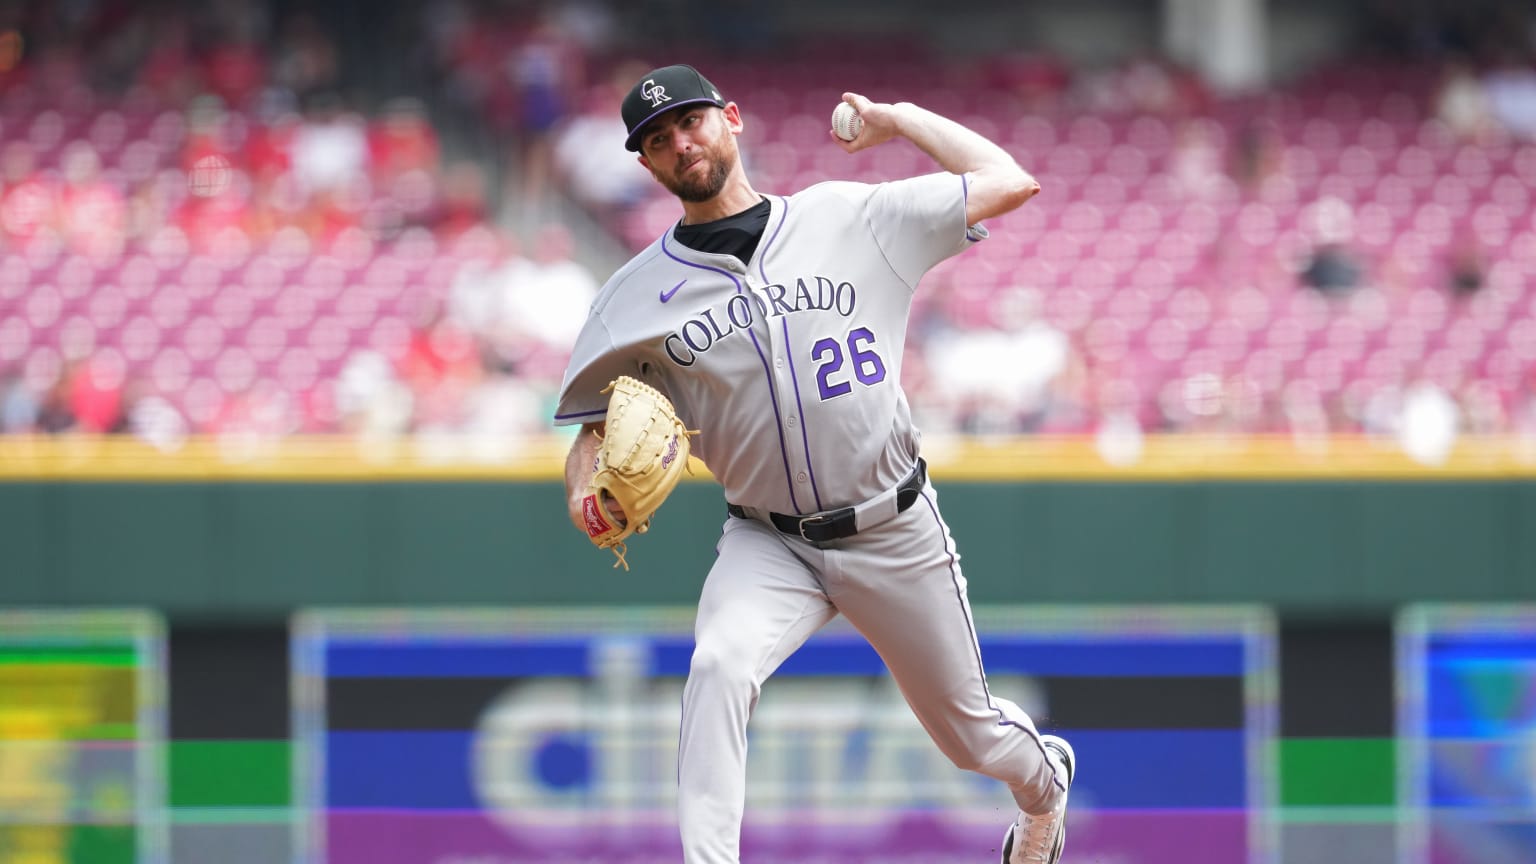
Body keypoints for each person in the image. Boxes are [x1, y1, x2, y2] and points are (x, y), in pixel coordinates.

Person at [554, 64, 1074, 864]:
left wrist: (897, 118)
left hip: (891, 524)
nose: (680, 143)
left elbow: (1008, 181)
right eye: (658, 139)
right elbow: (590, 432)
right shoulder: (630, 297)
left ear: (732, 119)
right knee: (720, 666)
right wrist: (584, 492)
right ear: (645, 165)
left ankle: (1045, 792)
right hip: (769, 541)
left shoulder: (848, 217)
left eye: (691, 122)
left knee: (971, 739)